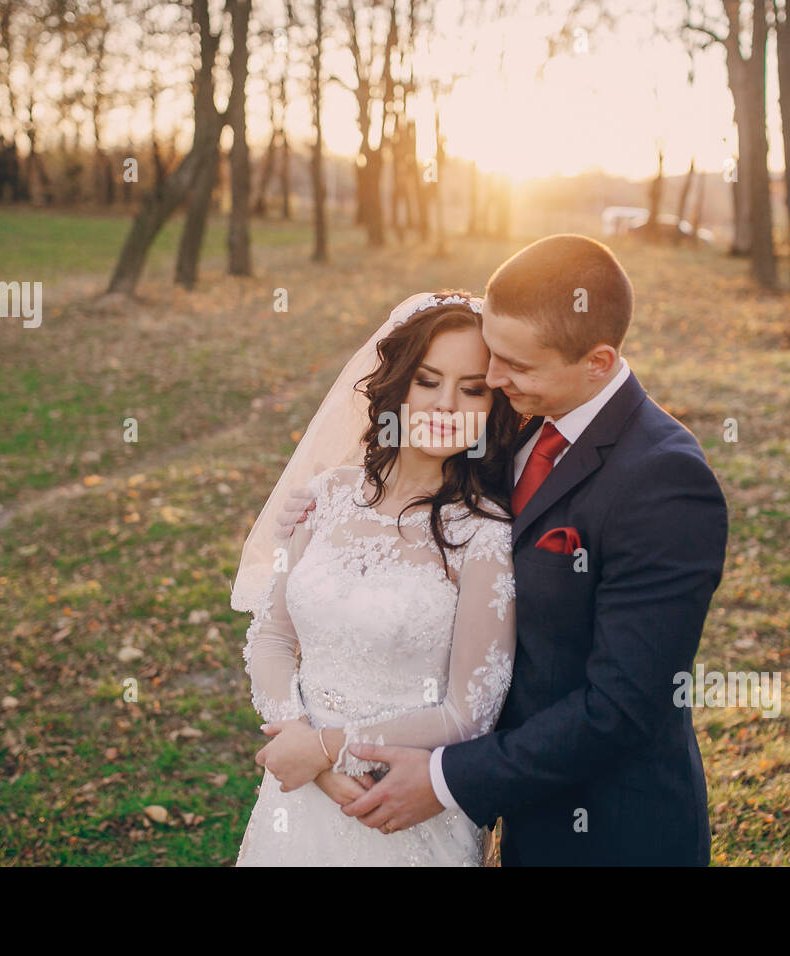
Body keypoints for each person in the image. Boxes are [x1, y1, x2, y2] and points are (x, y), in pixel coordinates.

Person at [275, 235, 728, 865]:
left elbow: (623, 708)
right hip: (515, 818)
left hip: (609, 831)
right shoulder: (517, 424)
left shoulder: (663, 481)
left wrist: (446, 780)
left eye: (511, 366)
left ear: (597, 362)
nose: (491, 378)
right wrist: (324, 513)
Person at [231, 291, 522, 866]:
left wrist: (328, 752)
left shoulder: (484, 536)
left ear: (493, 407)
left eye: (471, 389)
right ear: (396, 385)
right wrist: (300, 747)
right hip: (297, 796)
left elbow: (470, 712)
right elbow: (270, 638)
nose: (446, 405)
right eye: (427, 381)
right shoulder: (325, 498)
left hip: (400, 805)